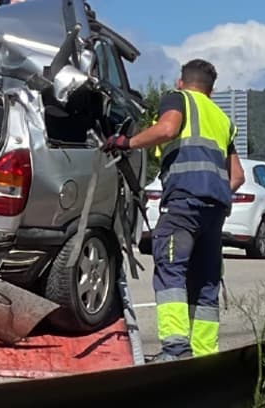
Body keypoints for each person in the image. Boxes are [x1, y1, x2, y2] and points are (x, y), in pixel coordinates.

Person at [102, 58, 245, 361]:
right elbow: (238, 177)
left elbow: (167, 129)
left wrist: (126, 143)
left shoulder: (177, 99)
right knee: (206, 281)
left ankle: (175, 350)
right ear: (212, 90)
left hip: (184, 203)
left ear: (181, 82)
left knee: (171, 272)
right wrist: (214, 190)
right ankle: (205, 353)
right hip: (215, 209)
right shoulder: (223, 119)